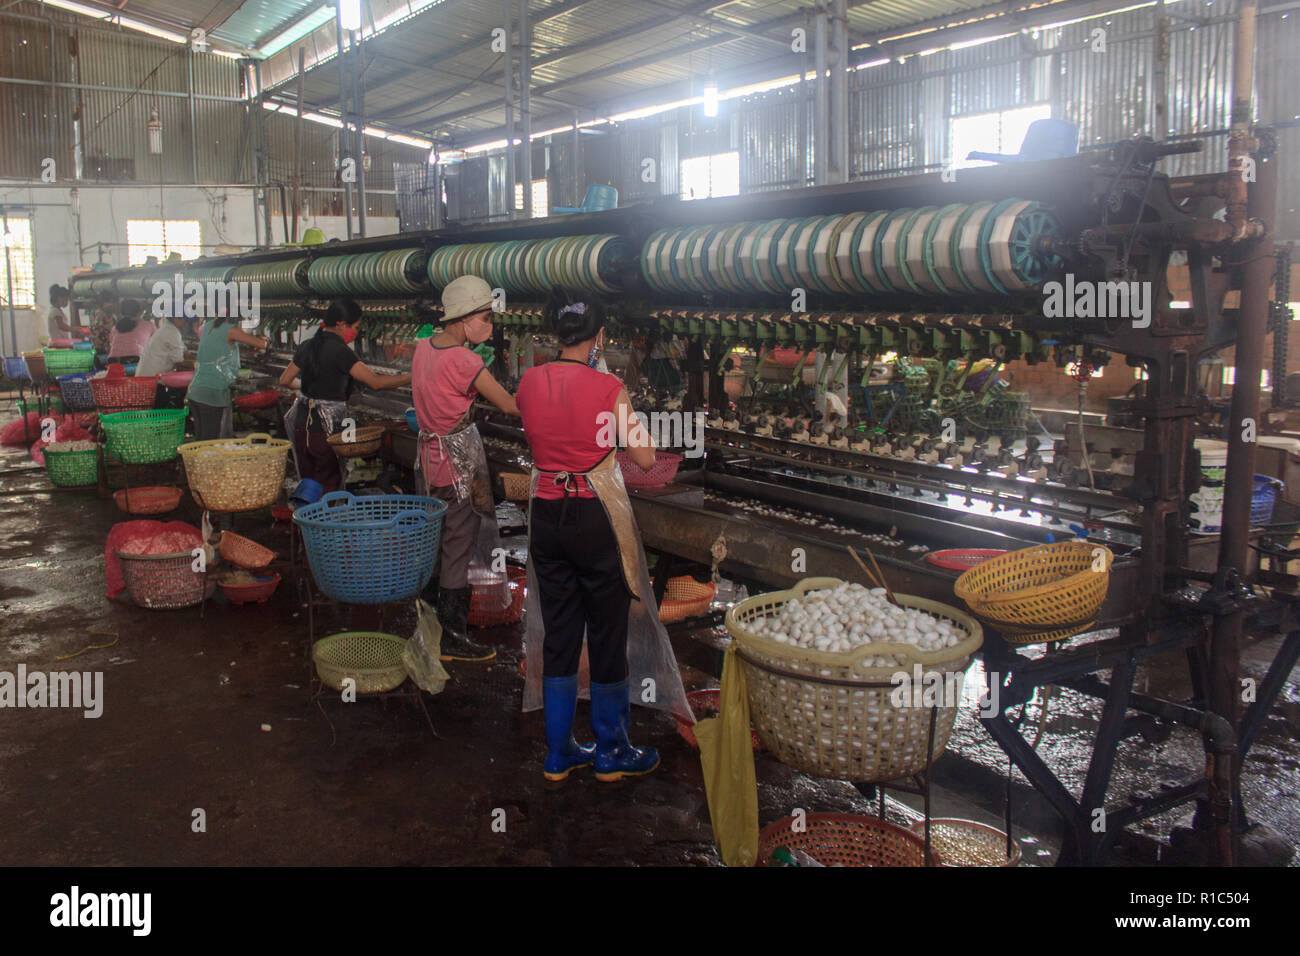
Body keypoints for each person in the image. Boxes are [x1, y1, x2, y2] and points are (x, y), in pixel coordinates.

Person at [515, 290, 691, 782]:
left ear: (556, 334)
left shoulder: (529, 381)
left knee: (561, 632)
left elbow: (535, 429)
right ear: (599, 337)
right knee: (608, 632)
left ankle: (559, 752)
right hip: (594, 517)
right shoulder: (606, 385)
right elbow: (643, 457)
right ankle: (612, 751)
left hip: (547, 517)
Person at [411, 275, 518, 663]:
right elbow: (508, 405)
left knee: (434, 546)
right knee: (457, 547)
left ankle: (429, 626)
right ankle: (451, 637)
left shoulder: (423, 349)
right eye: (485, 318)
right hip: (457, 465)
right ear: (462, 319)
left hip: (428, 462)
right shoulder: (466, 360)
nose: (489, 326)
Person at [278, 298, 410, 493]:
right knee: (329, 485)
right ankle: (328, 521)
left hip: (301, 427)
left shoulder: (308, 345)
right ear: (342, 325)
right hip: (325, 432)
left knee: (309, 484)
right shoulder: (341, 352)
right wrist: (413, 375)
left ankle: (306, 522)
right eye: (356, 327)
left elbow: (285, 380)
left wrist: (311, 392)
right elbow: (376, 382)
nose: (356, 333)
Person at [187, 310, 269, 441]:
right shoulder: (231, 330)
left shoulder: (208, 326)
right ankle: (206, 461)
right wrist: (264, 340)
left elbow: (221, 347)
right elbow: (262, 344)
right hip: (211, 393)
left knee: (201, 440)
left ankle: (197, 461)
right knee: (210, 442)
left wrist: (246, 350)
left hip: (196, 390)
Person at [136, 307, 192, 377]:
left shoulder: (167, 329)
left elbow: (184, 350)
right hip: (152, 378)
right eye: (185, 320)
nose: (186, 323)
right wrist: (195, 366)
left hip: (145, 375)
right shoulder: (172, 332)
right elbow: (179, 362)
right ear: (176, 318)